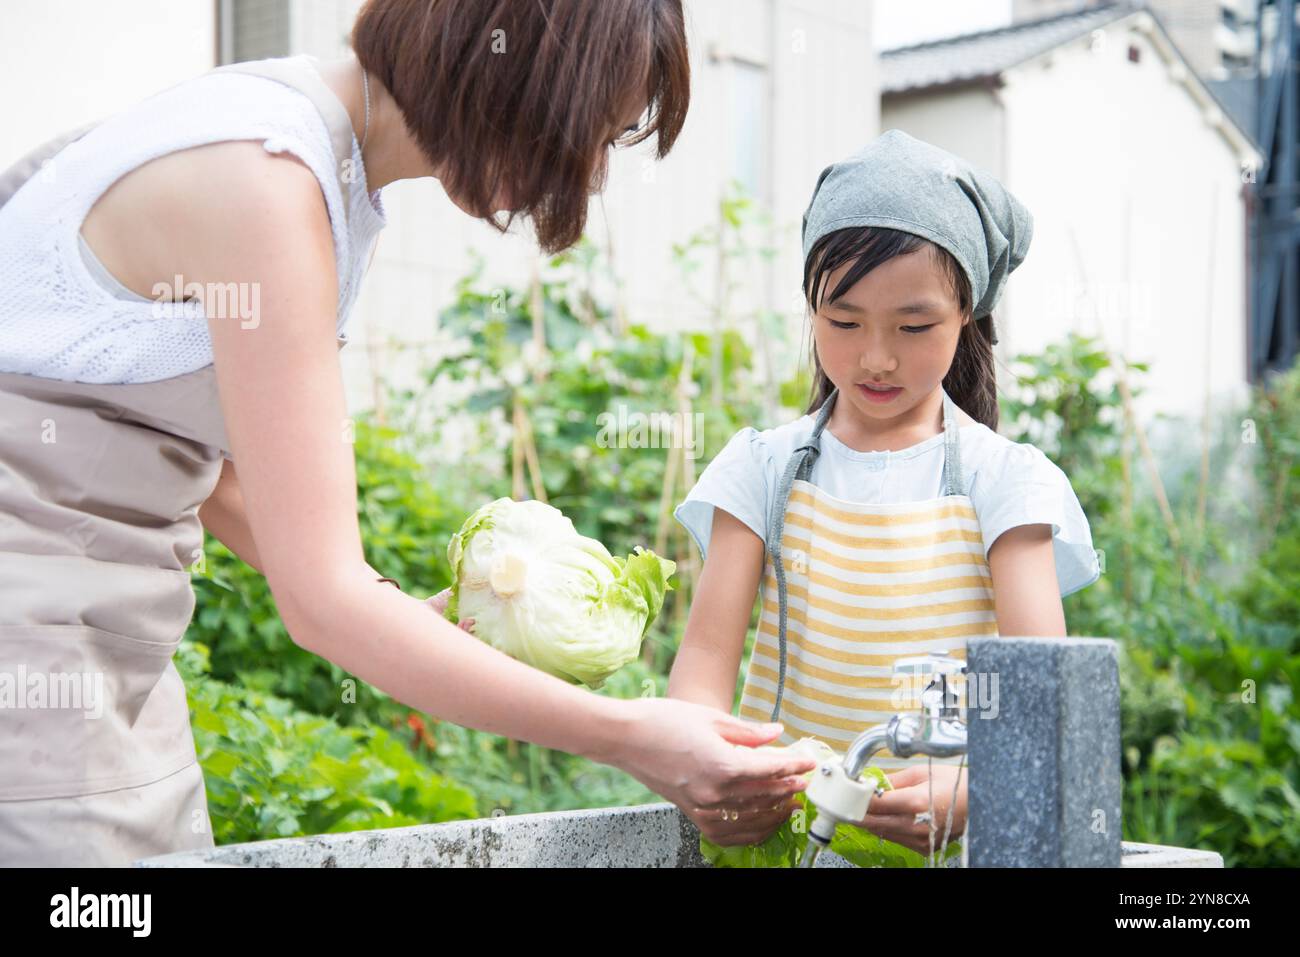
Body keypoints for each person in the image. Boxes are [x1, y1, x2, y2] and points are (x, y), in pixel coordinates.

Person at [0, 0, 815, 867]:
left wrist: (397, 613)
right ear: (513, 73)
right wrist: (631, 736)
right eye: (596, 135)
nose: (591, 176)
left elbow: (230, 479)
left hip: (105, 656)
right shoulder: (268, 182)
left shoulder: (317, 160)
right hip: (36, 657)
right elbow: (322, 604)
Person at [669, 130, 1103, 854]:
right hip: (783, 846)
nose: (876, 356)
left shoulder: (1007, 484)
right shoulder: (762, 472)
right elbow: (701, 682)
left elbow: (1040, 713)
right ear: (810, 308)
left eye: (914, 324)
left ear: (966, 313)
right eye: (843, 321)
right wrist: (707, 764)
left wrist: (974, 789)